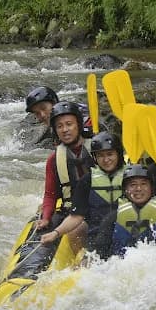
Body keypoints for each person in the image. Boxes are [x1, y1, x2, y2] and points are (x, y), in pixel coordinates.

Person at [39, 131, 126, 249]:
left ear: (118, 154)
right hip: (97, 239)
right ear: (95, 158)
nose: (106, 160)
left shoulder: (131, 178)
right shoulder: (87, 180)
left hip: (126, 236)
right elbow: (76, 216)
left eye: (110, 154)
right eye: (100, 155)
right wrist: (55, 233)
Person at [36, 101, 95, 254]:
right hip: (70, 211)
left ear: (78, 125)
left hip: (97, 208)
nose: (65, 130)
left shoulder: (98, 150)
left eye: (69, 124)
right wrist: (46, 218)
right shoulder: (53, 160)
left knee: (77, 231)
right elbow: (50, 195)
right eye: (60, 126)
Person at [92, 164, 156, 260]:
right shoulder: (112, 219)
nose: (138, 188)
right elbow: (100, 253)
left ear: (152, 188)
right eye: (133, 185)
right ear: (125, 190)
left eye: (143, 184)